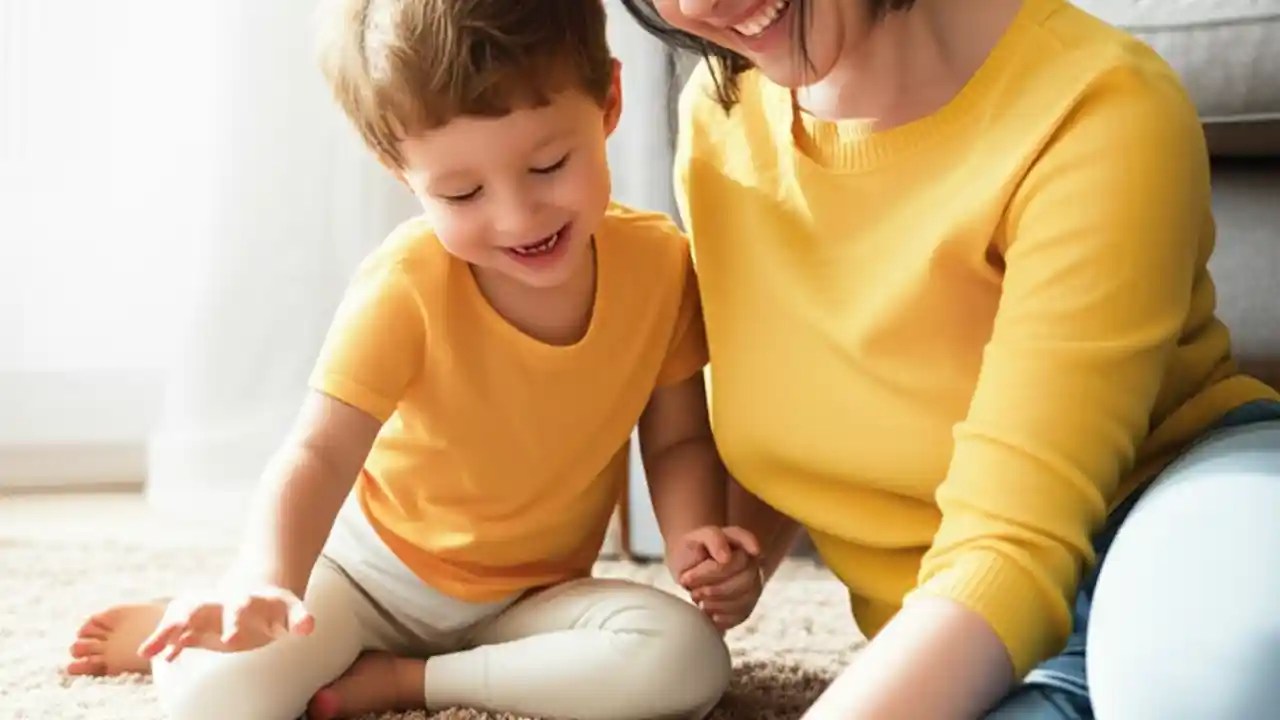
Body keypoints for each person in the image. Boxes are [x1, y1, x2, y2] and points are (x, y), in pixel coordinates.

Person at [63, 1, 767, 718]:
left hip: (534, 597)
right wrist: (268, 580)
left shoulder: (660, 266)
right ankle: (206, 612)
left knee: (686, 659)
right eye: (463, 192)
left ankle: (406, 681)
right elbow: (317, 454)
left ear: (609, 101)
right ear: (399, 168)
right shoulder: (405, 283)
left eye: (550, 164)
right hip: (365, 579)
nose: (520, 216)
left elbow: (678, 437)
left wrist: (695, 541)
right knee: (214, 700)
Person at [620, 0, 1280, 718]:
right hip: (976, 638)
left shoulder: (1096, 109)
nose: (692, 5)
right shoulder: (722, 118)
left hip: (1168, 515)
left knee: (1220, 675)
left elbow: (1012, 550)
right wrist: (738, 550)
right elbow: (819, 384)